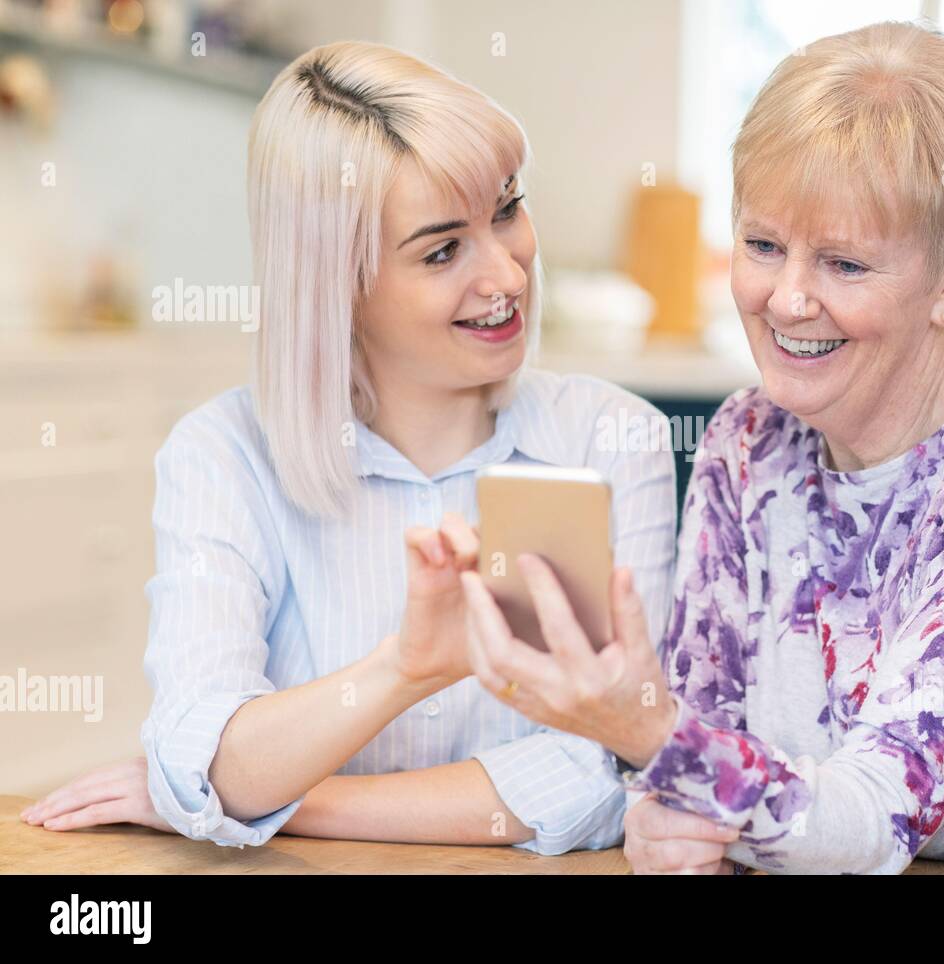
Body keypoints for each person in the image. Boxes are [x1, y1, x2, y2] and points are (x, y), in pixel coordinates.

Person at [459, 21, 944, 874]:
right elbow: (700, 753)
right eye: (763, 246)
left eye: (844, 265)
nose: (787, 300)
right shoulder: (745, 441)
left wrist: (647, 736)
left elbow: (870, 820)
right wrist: (660, 817)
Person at [18, 41, 676, 855]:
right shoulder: (223, 455)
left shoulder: (615, 438)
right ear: (337, 281)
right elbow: (207, 750)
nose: (507, 274)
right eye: (442, 251)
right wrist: (406, 668)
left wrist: (268, 798)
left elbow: (612, 774)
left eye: (507, 209)